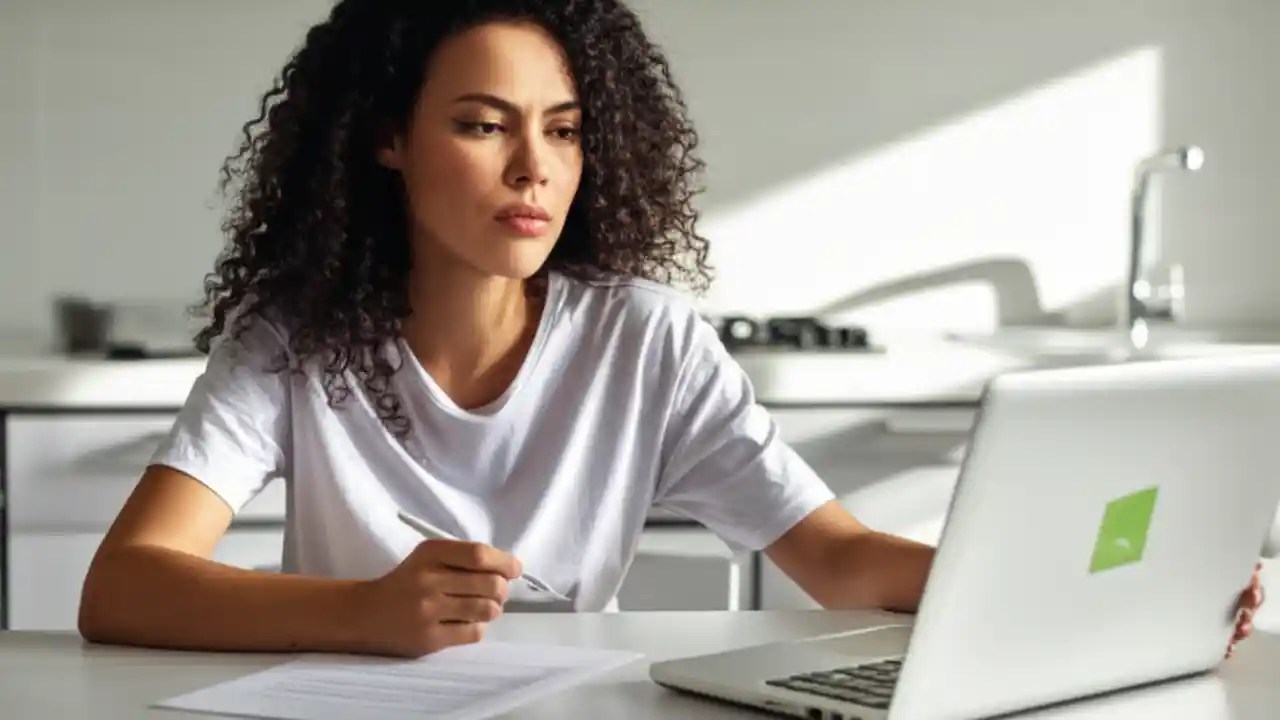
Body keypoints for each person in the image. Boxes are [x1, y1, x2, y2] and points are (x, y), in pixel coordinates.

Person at [77, 0, 1264, 659]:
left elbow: (838, 557)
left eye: (565, 129)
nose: (535, 171)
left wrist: (1076, 581)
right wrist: (363, 611)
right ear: (386, 138)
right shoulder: (301, 335)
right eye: (484, 125)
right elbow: (124, 586)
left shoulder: (642, 339)